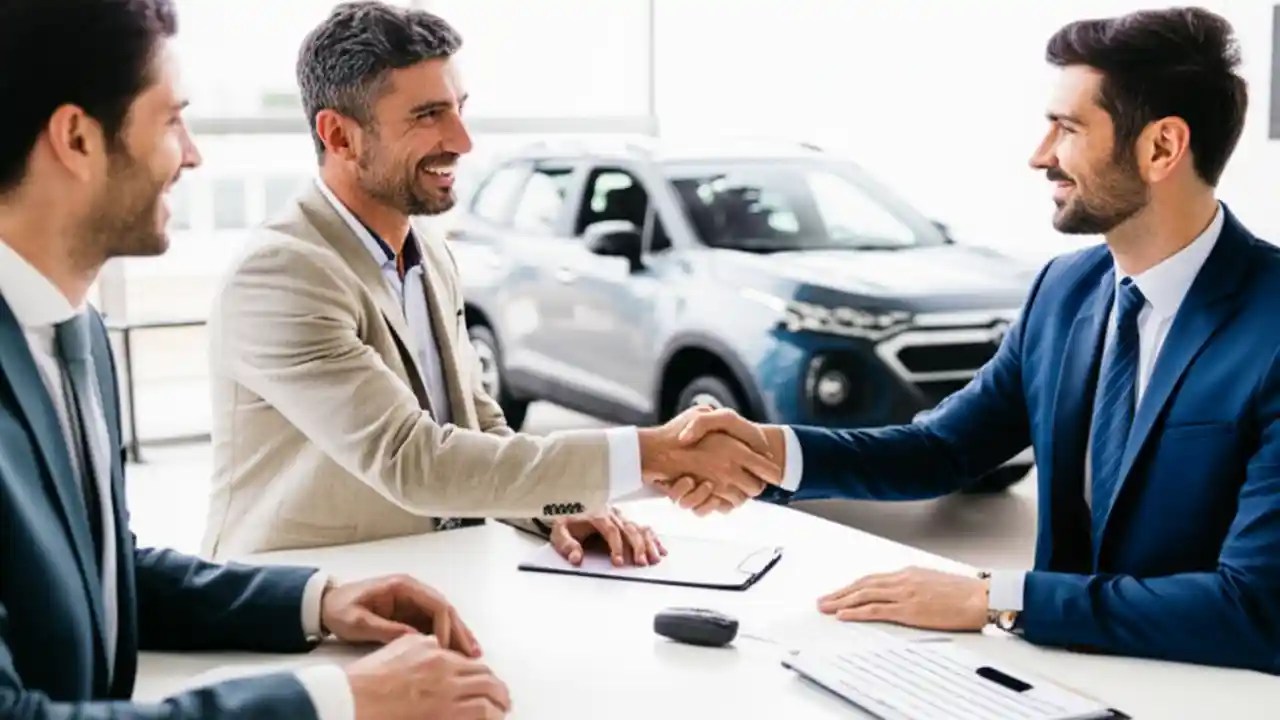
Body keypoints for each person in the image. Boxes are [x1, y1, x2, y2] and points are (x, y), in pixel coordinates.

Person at [673, 7, 1280, 673]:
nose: (1039, 154)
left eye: (1068, 128)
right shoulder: (1066, 290)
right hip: (1060, 680)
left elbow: (1254, 609)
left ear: (1161, 147)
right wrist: (765, 452)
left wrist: (994, 598)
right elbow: (943, 449)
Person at [0, 1, 512, 717]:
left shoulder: (76, 335)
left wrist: (318, 601)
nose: (194, 154)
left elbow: (103, 573)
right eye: (171, 120)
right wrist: (336, 701)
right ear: (77, 139)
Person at [201, 1, 780, 562]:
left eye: (459, 107)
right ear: (340, 136)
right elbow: (413, 460)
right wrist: (652, 452)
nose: (462, 139)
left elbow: (479, 425)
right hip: (299, 601)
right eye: (428, 116)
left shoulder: (430, 253)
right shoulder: (283, 273)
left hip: (432, 574)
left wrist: (554, 507)